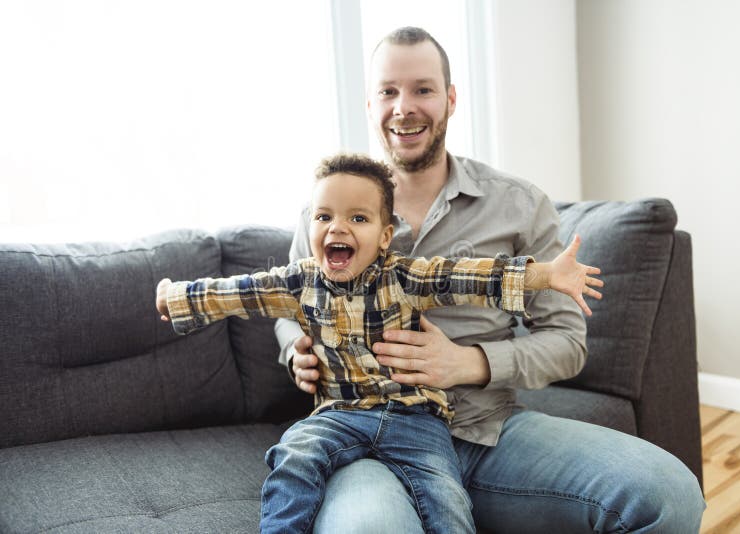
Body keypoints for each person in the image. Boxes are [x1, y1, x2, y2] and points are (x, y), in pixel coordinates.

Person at [276, 27, 706, 533]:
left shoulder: (518, 206)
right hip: (365, 444)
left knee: (670, 495)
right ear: (370, 104)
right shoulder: (325, 213)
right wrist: (295, 350)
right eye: (388, 91)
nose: (404, 107)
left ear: (451, 99)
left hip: (488, 435)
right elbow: (287, 309)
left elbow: (568, 343)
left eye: (423, 89)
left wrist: (468, 363)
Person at [155, 153, 603, 534]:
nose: (338, 228)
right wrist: (176, 297)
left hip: (416, 420)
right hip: (341, 416)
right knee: (294, 450)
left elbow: (475, 277)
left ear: (385, 236)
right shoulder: (298, 282)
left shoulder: (405, 276)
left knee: (445, 500)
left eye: (358, 218)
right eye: (324, 216)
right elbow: (237, 292)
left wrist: (545, 275)